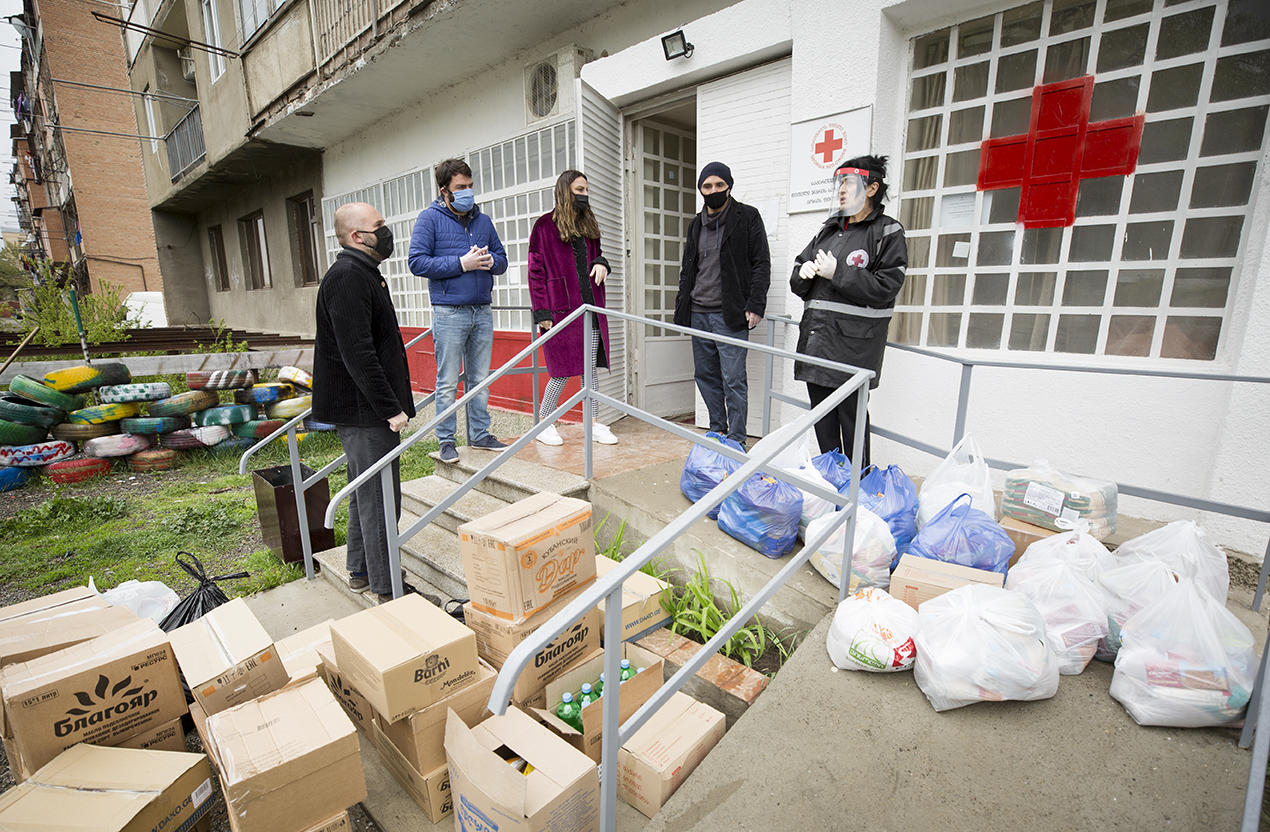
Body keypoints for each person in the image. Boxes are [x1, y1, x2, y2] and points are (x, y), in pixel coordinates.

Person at [312, 202, 415, 604]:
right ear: (357, 236)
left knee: (365, 494)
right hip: (365, 411)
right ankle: (387, 586)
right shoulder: (348, 277)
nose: (386, 232)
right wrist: (390, 408)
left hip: (363, 408)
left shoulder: (363, 273)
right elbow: (359, 353)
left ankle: (360, 571)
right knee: (380, 499)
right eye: (380, 226)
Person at [790, 155, 907, 466]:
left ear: (871, 188)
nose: (841, 189)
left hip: (854, 351)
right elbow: (802, 267)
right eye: (839, 183)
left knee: (852, 425)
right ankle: (832, 480)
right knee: (823, 424)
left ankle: (859, 487)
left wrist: (838, 273)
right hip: (818, 344)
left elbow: (887, 286)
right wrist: (801, 274)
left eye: (849, 183)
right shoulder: (829, 230)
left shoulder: (887, 232)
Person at [408, 158, 509, 463]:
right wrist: (460, 264)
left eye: (470, 186)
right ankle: (446, 441)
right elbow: (417, 262)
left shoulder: (484, 222)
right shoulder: (429, 219)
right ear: (445, 191)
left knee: (480, 378)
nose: (467, 191)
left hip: (481, 310)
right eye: (460, 187)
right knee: (448, 380)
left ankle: (479, 434)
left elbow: (503, 260)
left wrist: (492, 262)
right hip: (449, 311)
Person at [674, 161, 770, 448]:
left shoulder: (747, 217)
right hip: (698, 313)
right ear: (700, 189)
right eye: (707, 186)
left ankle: (737, 438)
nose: (713, 190)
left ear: (729, 186)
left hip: (730, 314)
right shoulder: (695, 224)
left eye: (718, 185)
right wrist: (682, 307)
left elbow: (761, 264)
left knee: (733, 379)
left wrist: (755, 304)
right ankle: (717, 430)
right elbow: (688, 269)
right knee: (705, 375)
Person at [526, 169, 618, 446]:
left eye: (586, 190)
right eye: (579, 190)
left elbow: (596, 256)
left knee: (589, 371)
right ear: (565, 191)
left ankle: (592, 422)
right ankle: (544, 422)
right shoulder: (544, 226)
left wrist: (601, 262)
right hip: (560, 311)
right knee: (562, 370)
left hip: (590, 309)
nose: (584, 195)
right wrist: (541, 311)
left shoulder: (589, 227)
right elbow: (535, 271)